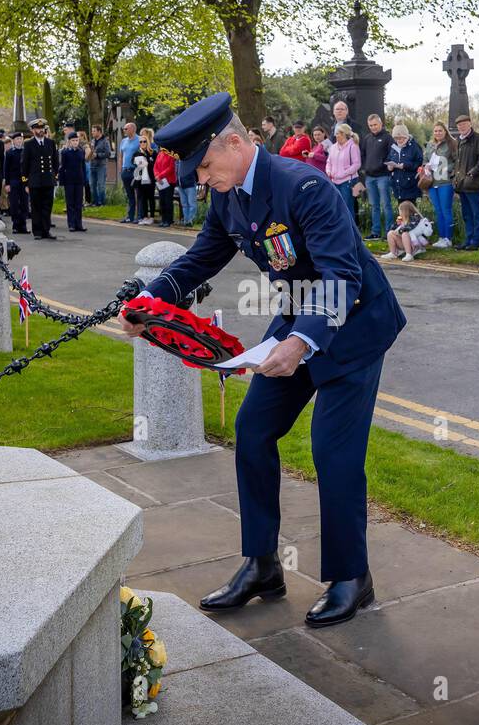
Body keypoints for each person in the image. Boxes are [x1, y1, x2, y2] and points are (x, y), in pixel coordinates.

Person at [120, 92, 406, 627]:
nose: (201, 180)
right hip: (300, 316)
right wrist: (148, 303)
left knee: (332, 449)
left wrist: (299, 345)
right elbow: (200, 258)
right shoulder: (228, 196)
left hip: (355, 321)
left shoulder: (304, 187)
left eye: (204, 166)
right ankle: (263, 565)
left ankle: (352, 577)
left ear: (236, 142)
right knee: (252, 428)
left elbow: (341, 277)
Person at [453, 114, 479, 249]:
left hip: (473, 183)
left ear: (470, 124)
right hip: (461, 184)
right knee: (466, 214)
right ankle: (468, 239)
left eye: (464, 124)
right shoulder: (458, 140)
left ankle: (476, 241)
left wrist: (472, 173)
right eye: (459, 125)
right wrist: (455, 177)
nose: (461, 127)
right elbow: (457, 162)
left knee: (476, 213)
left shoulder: (478, 138)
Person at [23, 118, 60, 240]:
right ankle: (37, 231)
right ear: (33, 130)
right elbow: (24, 164)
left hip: (48, 180)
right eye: (38, 128)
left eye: (42, 128)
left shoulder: (50, 143)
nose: (40, 130)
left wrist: (54, 175)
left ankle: (46, 230)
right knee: (36, 207)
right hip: (35, 181)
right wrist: (26, 182)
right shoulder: (28, 144)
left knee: (47, 206)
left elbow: (55, 161)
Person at [360, 114, 394, 239]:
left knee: (386, 204)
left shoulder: (388, 138)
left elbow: (392, 154)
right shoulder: (367, 138)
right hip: (370, 177)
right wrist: (365, 167)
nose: (373, 127)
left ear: (380, 124)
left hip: (383, 176)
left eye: (375, 125)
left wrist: (382, 165)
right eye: (371, 125)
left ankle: (389, 232)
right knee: (374, 206)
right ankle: (375, 232)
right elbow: (362, 154)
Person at [422, 121, 455, 248]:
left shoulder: (451, 144)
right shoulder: (430, 145)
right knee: (438, 211)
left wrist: (445, 166)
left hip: (445, 181)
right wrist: (426, 166)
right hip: (431, 182)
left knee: (446, 210)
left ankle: (448, 238)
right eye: (435, 131)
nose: (438, 133)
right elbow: (424, 160)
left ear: (445, 131)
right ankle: (441, 238)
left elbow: (457, 161)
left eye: (440, 130)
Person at [325, 122, 362, 219]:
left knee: (347, 207)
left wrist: (343, 173)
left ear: (344, 134)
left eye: (338, 133)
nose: (335, 135)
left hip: (347, 182)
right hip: (334, 182)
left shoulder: (353, 146)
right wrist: (328, 171)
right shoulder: (333, 147)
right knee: (336, 207)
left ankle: (351, 231)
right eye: (336, 133)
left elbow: (357, 164)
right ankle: (340, 230)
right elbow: (329, 162)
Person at [386, 123, 423, 207]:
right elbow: (389, 159)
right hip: (398, 185)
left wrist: (405, 165)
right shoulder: (394, 147)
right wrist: (389, 167)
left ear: (406, 136)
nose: (399, 140)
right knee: (401, 210)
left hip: (410, 184)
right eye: (396, 138)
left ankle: (413, 220)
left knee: (411, 209)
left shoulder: (414, 146)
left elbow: (419, 163)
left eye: (401, 137)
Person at [58, 131, 88, 232]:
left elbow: (83, 166)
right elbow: (62, 167)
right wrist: (62, 181)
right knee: (70, 203)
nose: (75, 142)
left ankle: (79, 224)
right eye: (73, 141)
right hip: (69, 180)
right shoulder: (65, 152)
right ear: (69, 142)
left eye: (76, 140)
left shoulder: (81, 151)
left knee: (78, 203)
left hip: (79, 179)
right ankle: (71, 224)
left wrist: (84, 179)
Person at [3, 132, 28, 234]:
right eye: (17, 139)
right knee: (14, 204)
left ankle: (23, 225)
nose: (19, 141)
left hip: (24, 181)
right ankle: (15, 225)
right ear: (13, 140)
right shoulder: (9, 153)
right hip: (14, 181)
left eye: (20, 139)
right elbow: (6, 169)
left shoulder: (25, 151)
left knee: (24, 204)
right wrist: (7, 183)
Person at [131, 132, 156, 225]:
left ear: (148, 142)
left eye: (144, 141)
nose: (142, 143)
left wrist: (148, 162)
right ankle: (144, 216)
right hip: (140, 179)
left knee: (151, 198)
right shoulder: (137, 153)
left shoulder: (153, 153)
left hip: (150, 179)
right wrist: (137, 161)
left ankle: (152, 216)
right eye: (140, 142)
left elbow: (155, 165)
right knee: (143, 198)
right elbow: (132, 161)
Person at [153, 144, 178, 227]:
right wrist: (157, 176)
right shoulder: (160, 154)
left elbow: (171, 168)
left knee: (168, 201)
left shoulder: (170, 154)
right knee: (162, 201)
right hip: (160, 182)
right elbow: (155, 167)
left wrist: (160, 176)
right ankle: (163, 220)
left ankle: (169, 220)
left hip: (169, 181)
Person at [119, 121, 139, 222]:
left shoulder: (140, 140)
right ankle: (129, 216)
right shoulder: (123, 141)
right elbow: (121, 156)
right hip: (125, 170)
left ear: (133, 129)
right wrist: (120, 169)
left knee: (138, 194)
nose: (124, 130)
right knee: (129, 195)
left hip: (135, 170)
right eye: (124, 129)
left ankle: (138, 216)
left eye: (126, 129)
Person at [90, 124, 111, 205]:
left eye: (94, 131)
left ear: (99, 131)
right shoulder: (92, 141)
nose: (92, 132)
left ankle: (101, 202)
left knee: (101, 185)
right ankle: (94, 202)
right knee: (92, 185)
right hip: (92, 165)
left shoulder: (105, 141)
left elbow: (108, 153)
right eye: (92, 131)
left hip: (101, 166)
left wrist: (97, 155)